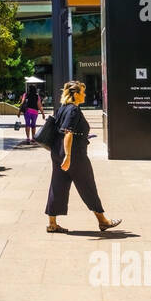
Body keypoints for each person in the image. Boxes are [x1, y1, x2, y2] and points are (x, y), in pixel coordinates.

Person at [45, 81, 122, 234]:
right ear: (75, 94)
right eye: (82, 92)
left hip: (57, 152)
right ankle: (103, 221)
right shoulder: (73, 109)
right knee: (87, 186)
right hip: (74, 155)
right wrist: (68, 156)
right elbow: (68, 132)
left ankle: (52, 224)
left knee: (57, 186)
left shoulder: (62, 109)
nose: (85, 95)